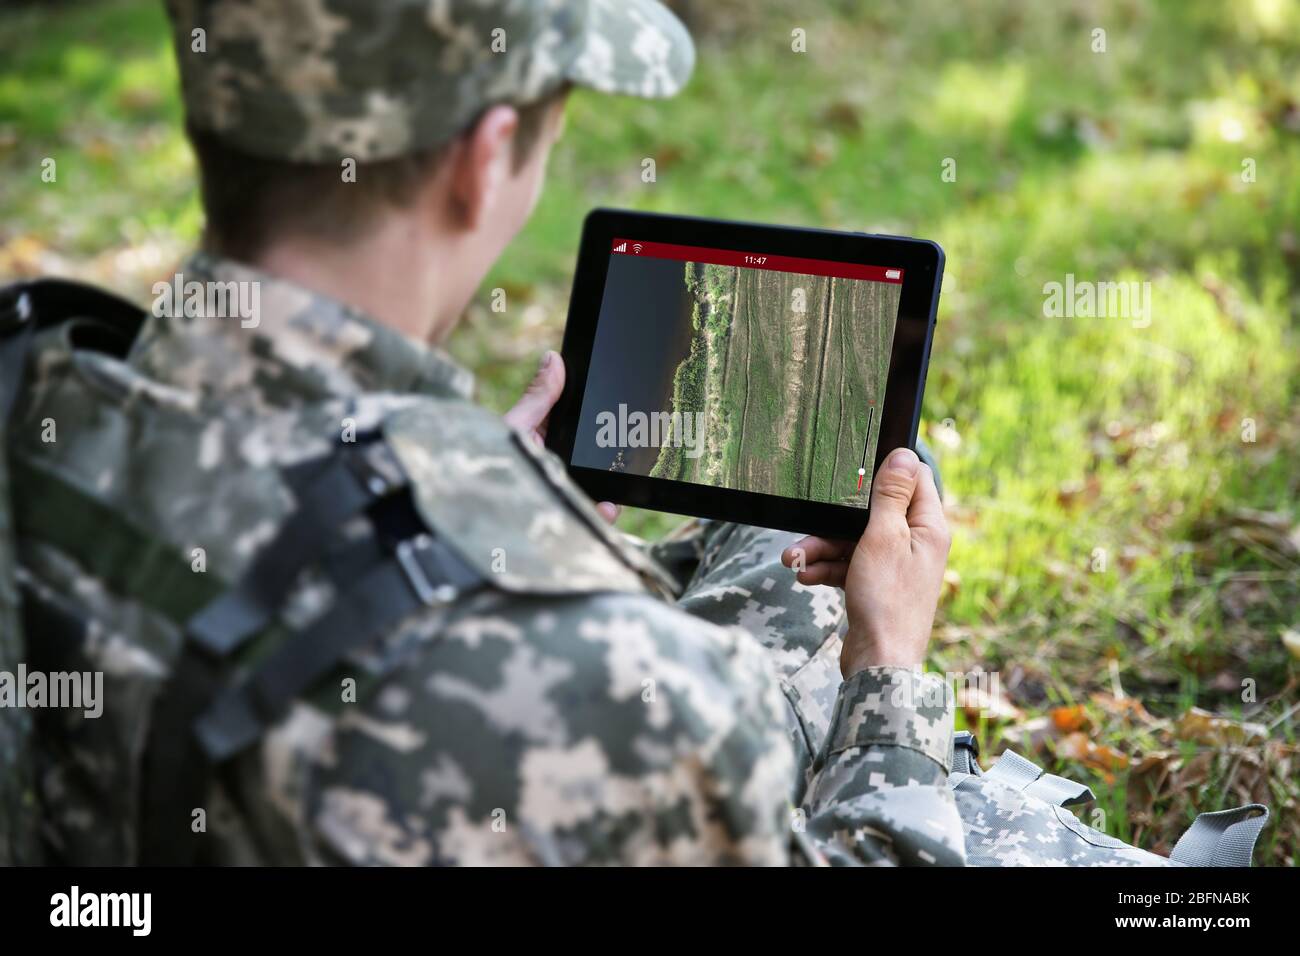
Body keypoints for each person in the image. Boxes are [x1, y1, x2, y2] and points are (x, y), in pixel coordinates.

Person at [2, 0, 1263, 866]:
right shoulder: (626, 692)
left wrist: (442, 498)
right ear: (483, 158)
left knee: (760, 533)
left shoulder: (32, 409)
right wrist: (888, 671)